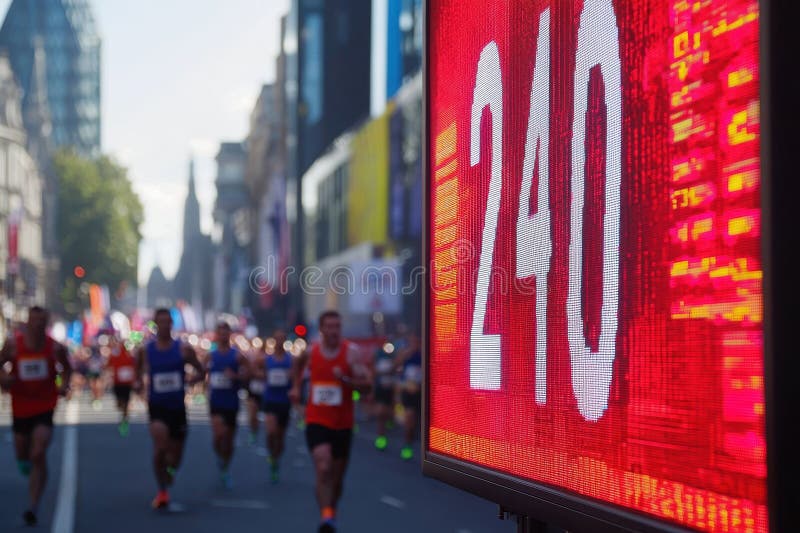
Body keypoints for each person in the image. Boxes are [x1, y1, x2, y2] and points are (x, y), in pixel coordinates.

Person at [290, 310, 372, 533]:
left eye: (337, 326)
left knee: (336, 479)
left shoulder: (350, 354)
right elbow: (297, 365)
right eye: (330, 326)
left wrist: (345, 379)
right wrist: (296, 387)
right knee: (323, 466)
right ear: (321, 329)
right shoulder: (311, 351)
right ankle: (326, 517)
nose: (334, 331)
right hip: (316, 419)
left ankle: (330, 513)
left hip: (343, 423)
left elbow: (367, 386)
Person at [0, 306, 72, 526]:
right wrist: (5, 380)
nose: (38, 324)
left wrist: (63, 385)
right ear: (28, 322)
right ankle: (24, 460)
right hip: (21, 406)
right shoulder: (13, 345)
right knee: (23, 451)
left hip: (45, 405)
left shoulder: (55, 347)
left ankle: (33, 505)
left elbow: (67, 369)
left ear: (46, 323)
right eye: (34, 320)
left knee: (39, 451)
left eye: (42, 321)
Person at [134, 308, 205, 509]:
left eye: (168, 322)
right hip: (156, 407)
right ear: (155, 324)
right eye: (161, 322)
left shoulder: (183, 350)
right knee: (161, 446)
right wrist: (138, 383)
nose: (165, 325)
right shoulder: (145, 350)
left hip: (177, 409)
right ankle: (162, 491)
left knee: (175, 457)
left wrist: (193, 379)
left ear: (172, 324)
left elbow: (201, 371)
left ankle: (170, 471)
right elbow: (137, 372)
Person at [207, 321, 249, 488]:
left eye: (226, 332)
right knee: (219, 436)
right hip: (215, 401)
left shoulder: (237, 356)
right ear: (216, 335)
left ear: (230, 334)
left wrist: (236, 376)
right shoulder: (210, 355)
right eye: (220, 332)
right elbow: (203, 371)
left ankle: (226, 466)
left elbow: (249, 374)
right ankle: (220, 456)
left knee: (229, 439)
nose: (223, 335)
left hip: (231, 402)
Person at [261, 329, 292, 483]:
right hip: (270, 399)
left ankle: (276, 460)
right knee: (271, 432)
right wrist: (261, 375)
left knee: (280, 437)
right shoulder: (267, 360)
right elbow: (256, 371)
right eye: (277, 339)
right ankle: (270, 454)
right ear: (273, 340)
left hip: (284, 402)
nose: (279, 342)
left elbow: (296, 379)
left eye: (282, 339)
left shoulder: (291, 360)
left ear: (285, 340)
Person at [395, 332, 422, 461]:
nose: (415, 344)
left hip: (421, 392)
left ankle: (417, 441)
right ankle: (407, 446)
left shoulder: (423, 354)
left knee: (419, 420)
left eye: (417, 342)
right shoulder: (405, 353)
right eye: (412, 342)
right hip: (408, 390)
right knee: (409, 418)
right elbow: (397, 364)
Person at [106, 333, 136, 436]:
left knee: (126, 403)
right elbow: (108, 365)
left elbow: (136, 367)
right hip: (117, 382)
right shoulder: (115, 354)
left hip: (127, 384)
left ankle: (124, 421)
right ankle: (123, 412)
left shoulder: (131, 356)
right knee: (119, 403)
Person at [371, 342, 397, 451]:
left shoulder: (394, 358)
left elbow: (397, 369)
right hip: (381, 389)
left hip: (391, 389)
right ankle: (381, 438)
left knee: (389, 412)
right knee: (381, 414)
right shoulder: (377, 357)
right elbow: (374, 373)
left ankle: (390, 421)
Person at [245, 343, 266, 445]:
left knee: (266, 416)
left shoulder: (269, 363)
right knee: (252, 415)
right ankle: (254, 431)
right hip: (253, 391)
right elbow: (248, 373)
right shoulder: (253, 363)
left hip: (266, 393)